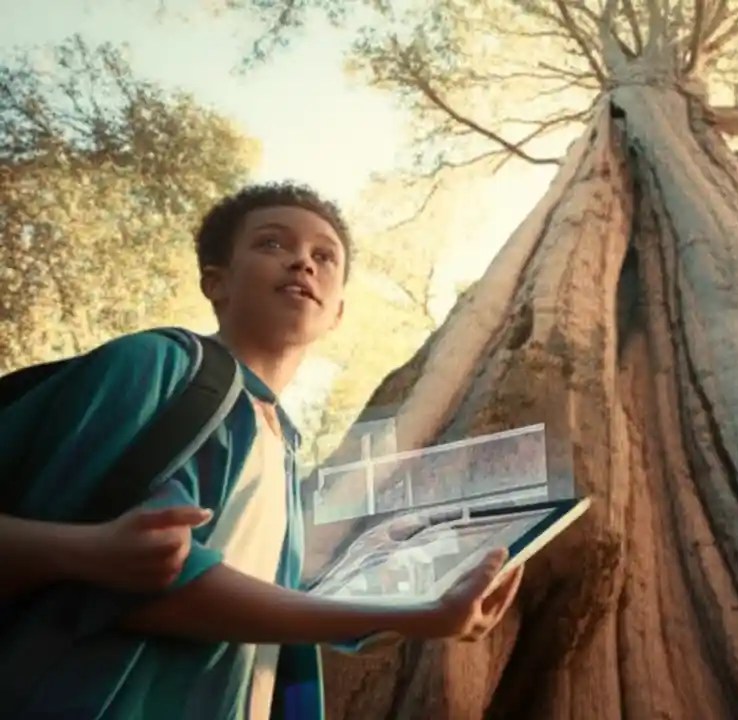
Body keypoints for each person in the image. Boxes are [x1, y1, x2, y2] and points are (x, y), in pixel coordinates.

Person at [0, 182, 523, 719]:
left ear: (338, 310)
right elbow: (153, 584)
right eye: (273, 244)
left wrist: (394, 603)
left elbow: (268, 618)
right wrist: (410, 617)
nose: (302, 262)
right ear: (216, 282)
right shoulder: (160, 366)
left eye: (325, 257)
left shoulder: (286, 444)